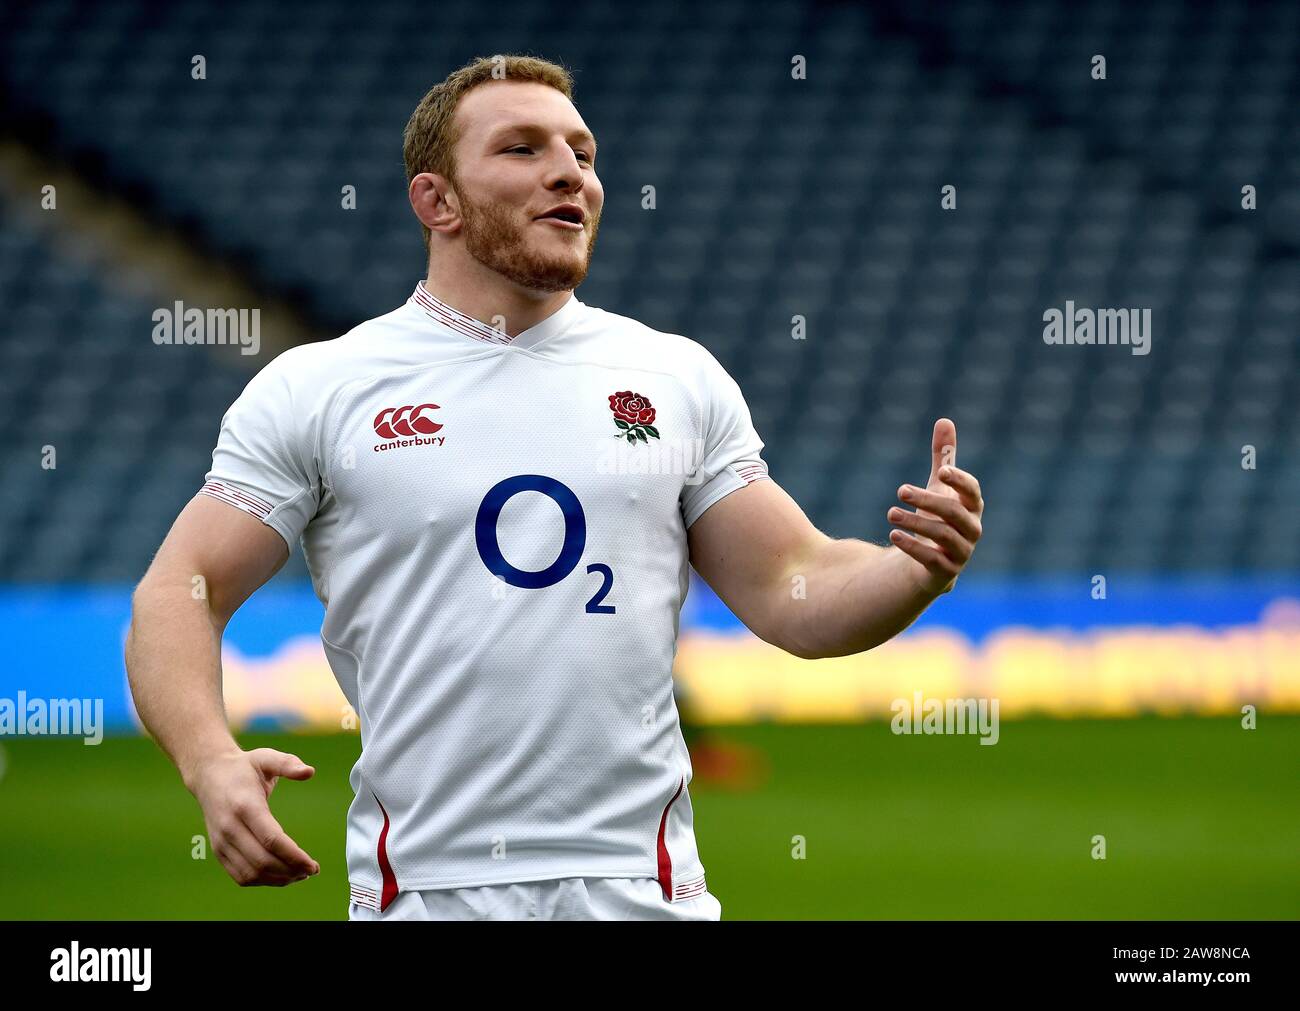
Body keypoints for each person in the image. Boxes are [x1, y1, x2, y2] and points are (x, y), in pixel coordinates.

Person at [124, 54, 983, 921]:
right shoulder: (320, 387)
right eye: (523, 149)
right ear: (438, 202)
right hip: (425, 893)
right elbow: (179, 589)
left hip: (645, 891)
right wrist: (209, 758)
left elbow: (796, 588)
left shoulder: (675, 376)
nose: (570, 173)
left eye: (583, 152)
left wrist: (916, 570)